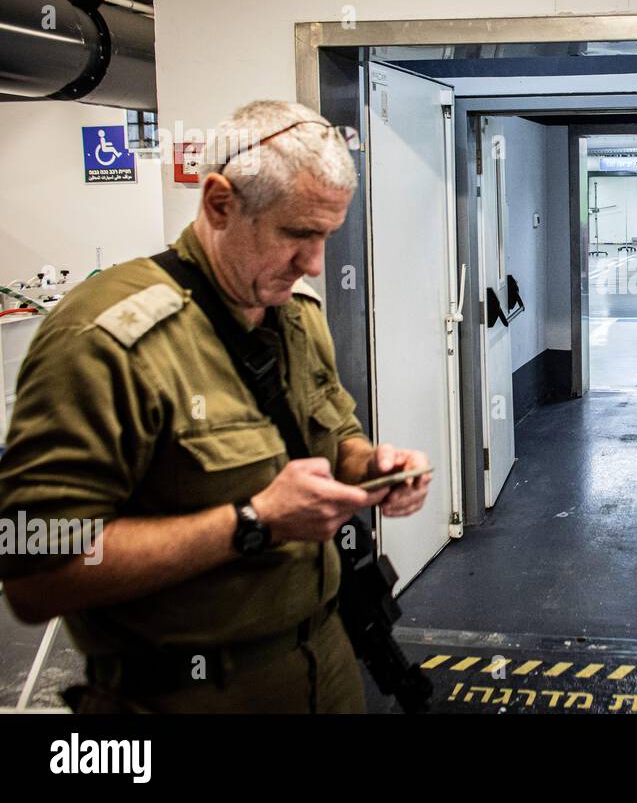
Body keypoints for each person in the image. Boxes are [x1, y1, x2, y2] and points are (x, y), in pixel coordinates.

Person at [0, 99, 433, 713]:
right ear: (219, 203)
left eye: (327, 236)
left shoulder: (296, 317)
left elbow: (336, 439)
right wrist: (253, 523)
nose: (313, 264)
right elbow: (35, 575)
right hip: (187, 696)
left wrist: (373, 468)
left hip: (327, 667)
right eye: (297, 234)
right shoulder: (103, 341)